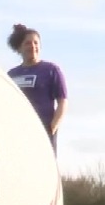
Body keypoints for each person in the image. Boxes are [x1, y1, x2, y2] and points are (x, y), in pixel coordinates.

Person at [6, 24, 68, 152]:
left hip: (42, 132)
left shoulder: (51, 70)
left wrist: (52, 127)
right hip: (16, 132)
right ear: (19, 47)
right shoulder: (11, 75)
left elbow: (62, 102)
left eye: (36, 43)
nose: (33, 46)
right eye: (28, 43)